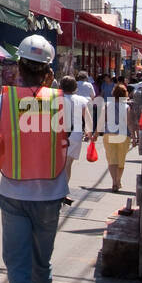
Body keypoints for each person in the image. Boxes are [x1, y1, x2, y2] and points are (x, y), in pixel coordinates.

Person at [0, 35, 74, 283]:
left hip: (13, 192)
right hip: (51, 194)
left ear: (19, 66)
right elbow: (70, 145)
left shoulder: (5, 100)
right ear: (48, 71)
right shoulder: (61, 102)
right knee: (41, 265)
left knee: (18, 266)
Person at [59, 76, 93, 206]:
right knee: (68, 164)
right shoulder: (82, 100)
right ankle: (63, 190)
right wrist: (90, 134)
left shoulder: (55, 99)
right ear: (75, 88)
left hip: (57, 133)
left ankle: (56, 190)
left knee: (57, 163)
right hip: (75, 134)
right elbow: (88, 119)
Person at [98, 84, 132, 192]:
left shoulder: (107, 105)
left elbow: (102, 120)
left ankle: (113, 182)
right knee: (121, 160)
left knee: (112, 159)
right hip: (123, 135)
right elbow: (129, 123)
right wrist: (135, 136)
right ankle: (118, 180)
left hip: (109, 134)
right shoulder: (126, 107)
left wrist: (95, 134)